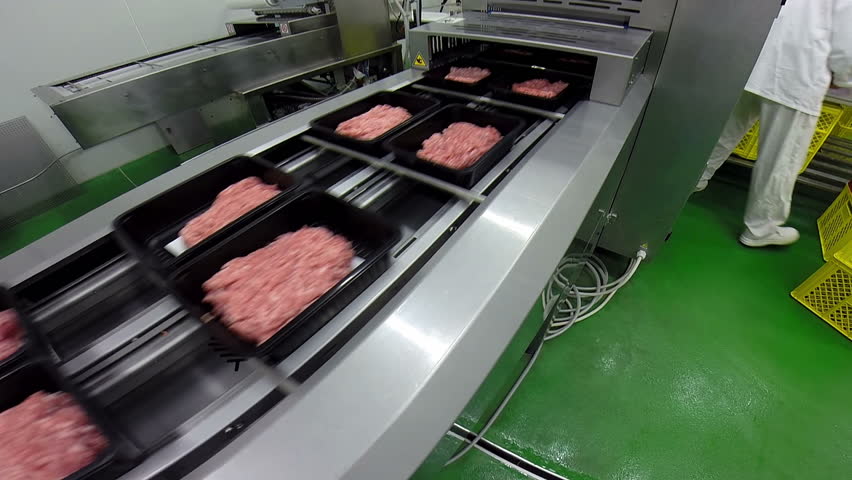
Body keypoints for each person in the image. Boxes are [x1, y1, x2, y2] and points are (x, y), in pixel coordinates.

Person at [696, 0, 852, 247]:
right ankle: (761, 229)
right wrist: (844, 77)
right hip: (800, 71)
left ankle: (694, 178)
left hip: (755, 57)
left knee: (725, 129)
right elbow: (846, 39)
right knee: (781, 158)